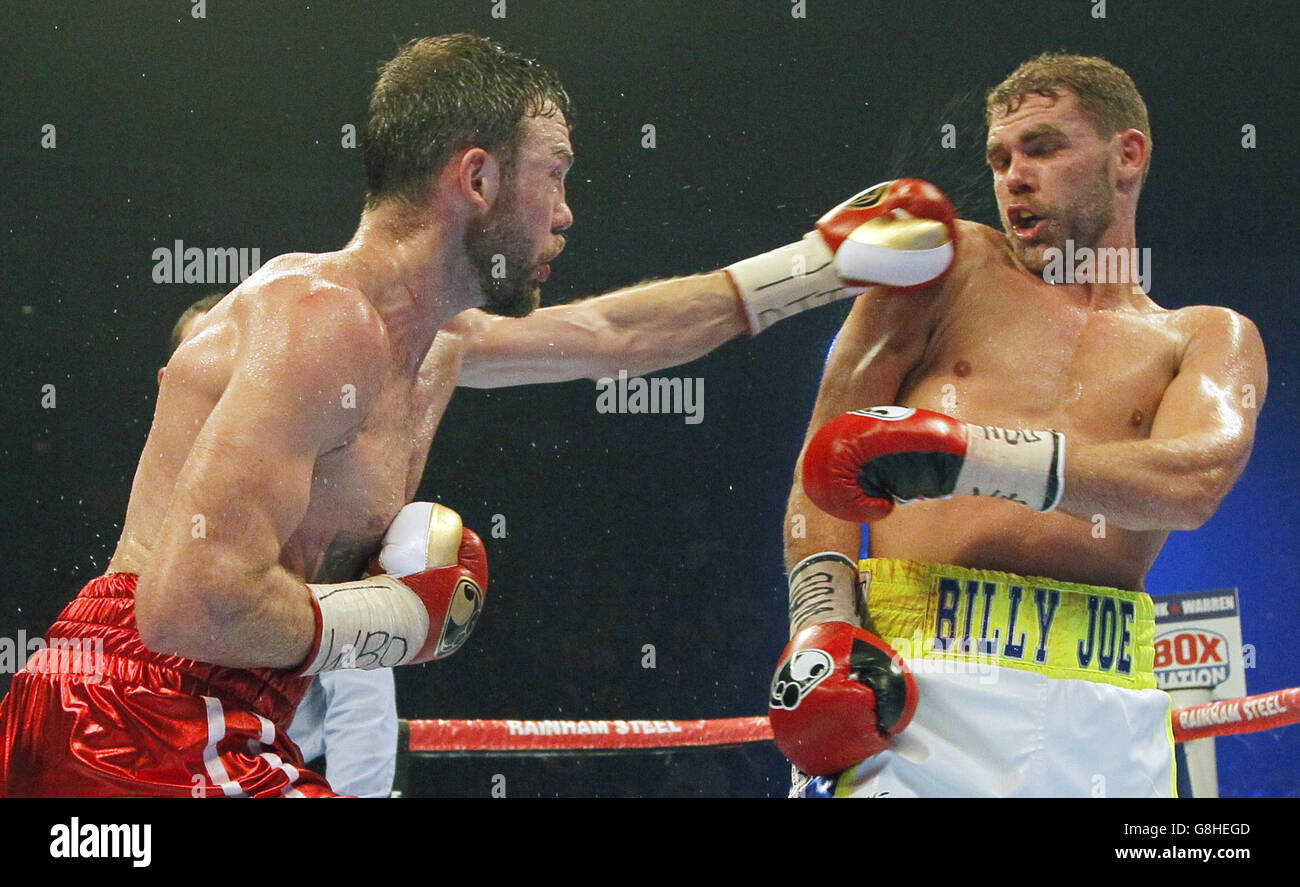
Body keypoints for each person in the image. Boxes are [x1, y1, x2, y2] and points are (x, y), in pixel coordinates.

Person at [0, 33, 953, 797]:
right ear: (480, 180)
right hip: (136, 712)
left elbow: (622, 334)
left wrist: (819, 265)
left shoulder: (436, 340)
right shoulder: (319, 320)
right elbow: (188, 605)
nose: (568, 214)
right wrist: (390, 621)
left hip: (216, 715)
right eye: (556, 175)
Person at [769, 52, 1267, 797]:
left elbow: (1192, 482)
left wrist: (972, 454)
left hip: (1108, 709)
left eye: (1042, 147)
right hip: (919, 689)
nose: (1012, 177)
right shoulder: (945, 262)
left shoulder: (1205, 336)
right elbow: (824, 466)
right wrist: (821, 626)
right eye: (1000, 157)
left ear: (1127, 156)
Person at [168, 296, 400, 798]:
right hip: (152, 756)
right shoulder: (158, 498)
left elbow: (361, 688)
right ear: (172, 382)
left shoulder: (308, 505)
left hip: (267, 768)